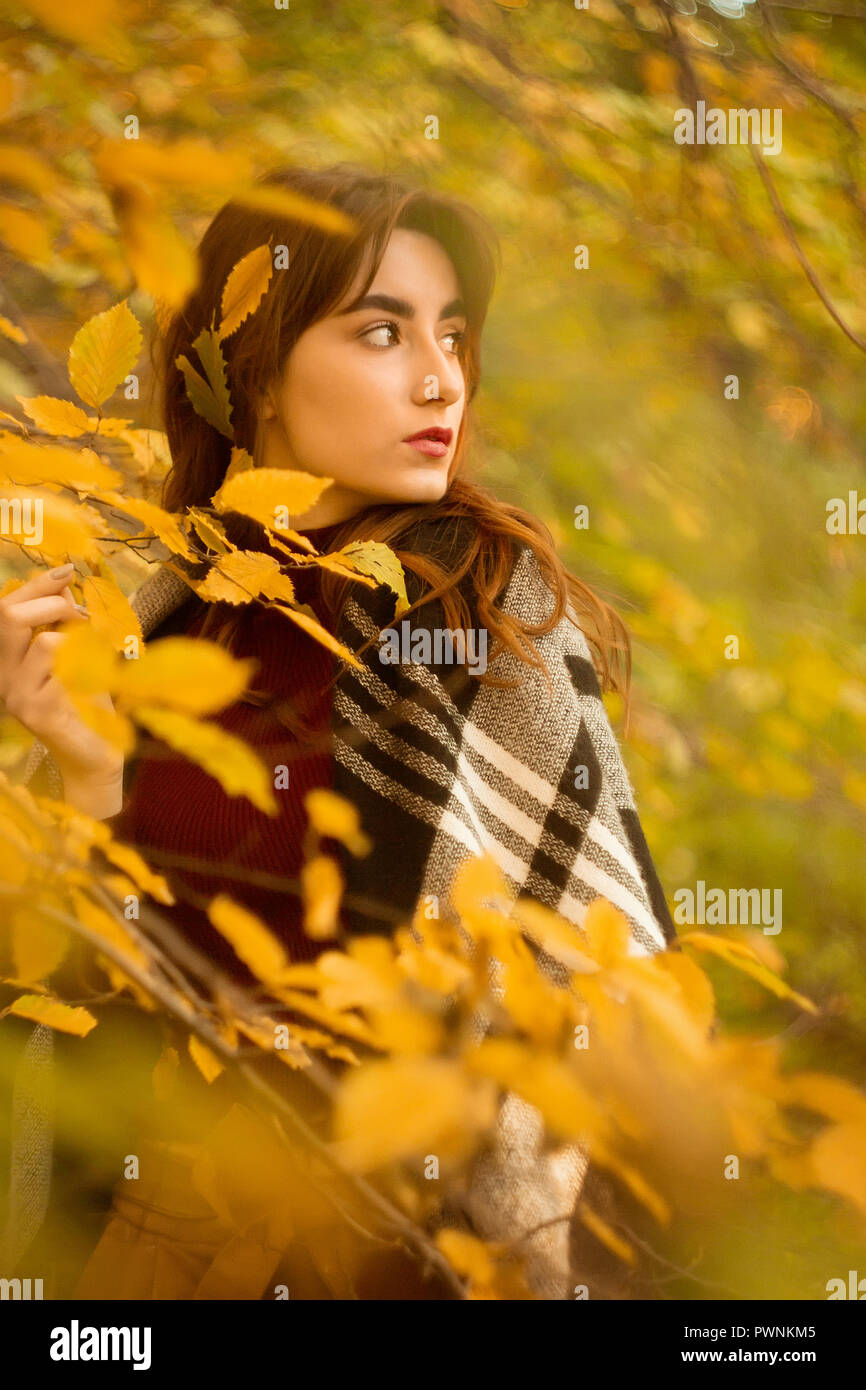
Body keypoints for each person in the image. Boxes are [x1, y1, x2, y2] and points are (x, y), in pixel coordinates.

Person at [4, 164, 676, 1299]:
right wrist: (83, 768)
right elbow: (87, 1017)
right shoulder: (157, 613)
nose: (438, 378)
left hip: (379, 1251)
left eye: (453, 336)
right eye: (381, 332)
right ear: (253, 372)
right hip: (142, 1256)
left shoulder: (482, 612)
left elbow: (607, 1000)